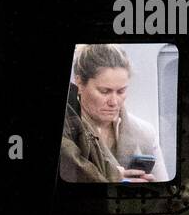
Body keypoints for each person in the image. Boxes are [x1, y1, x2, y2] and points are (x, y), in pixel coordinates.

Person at [60, 43, 165, 183]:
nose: (114, 102)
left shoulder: (145, 133)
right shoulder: (67, 129)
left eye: (121, 91)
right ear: (79, 83)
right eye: (104, 91)